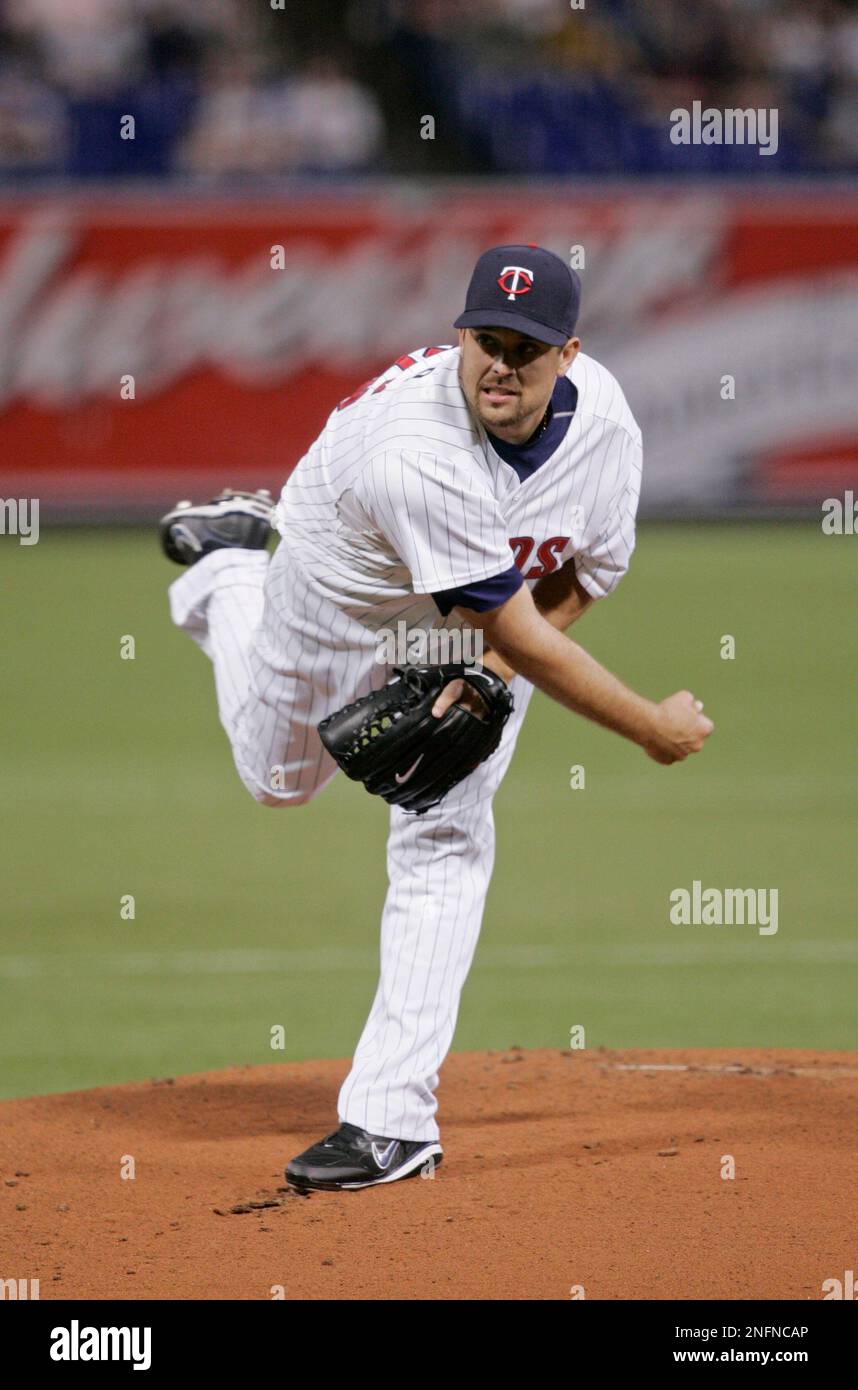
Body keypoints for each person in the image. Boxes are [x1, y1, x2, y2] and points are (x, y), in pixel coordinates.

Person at [160, 244, 713, 1191]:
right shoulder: (418, 449)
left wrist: (485, 676)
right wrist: (647, 729)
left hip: (472, 616)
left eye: (525, 349)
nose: (501, 364)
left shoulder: (609, 428)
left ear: (568, 355)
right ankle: (231, 568)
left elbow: (580, 578)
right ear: (458, 335)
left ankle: (390, 1121)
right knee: (278, 781)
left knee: (445, 835)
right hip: (342, 594)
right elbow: (523, 632)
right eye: (484, 340)